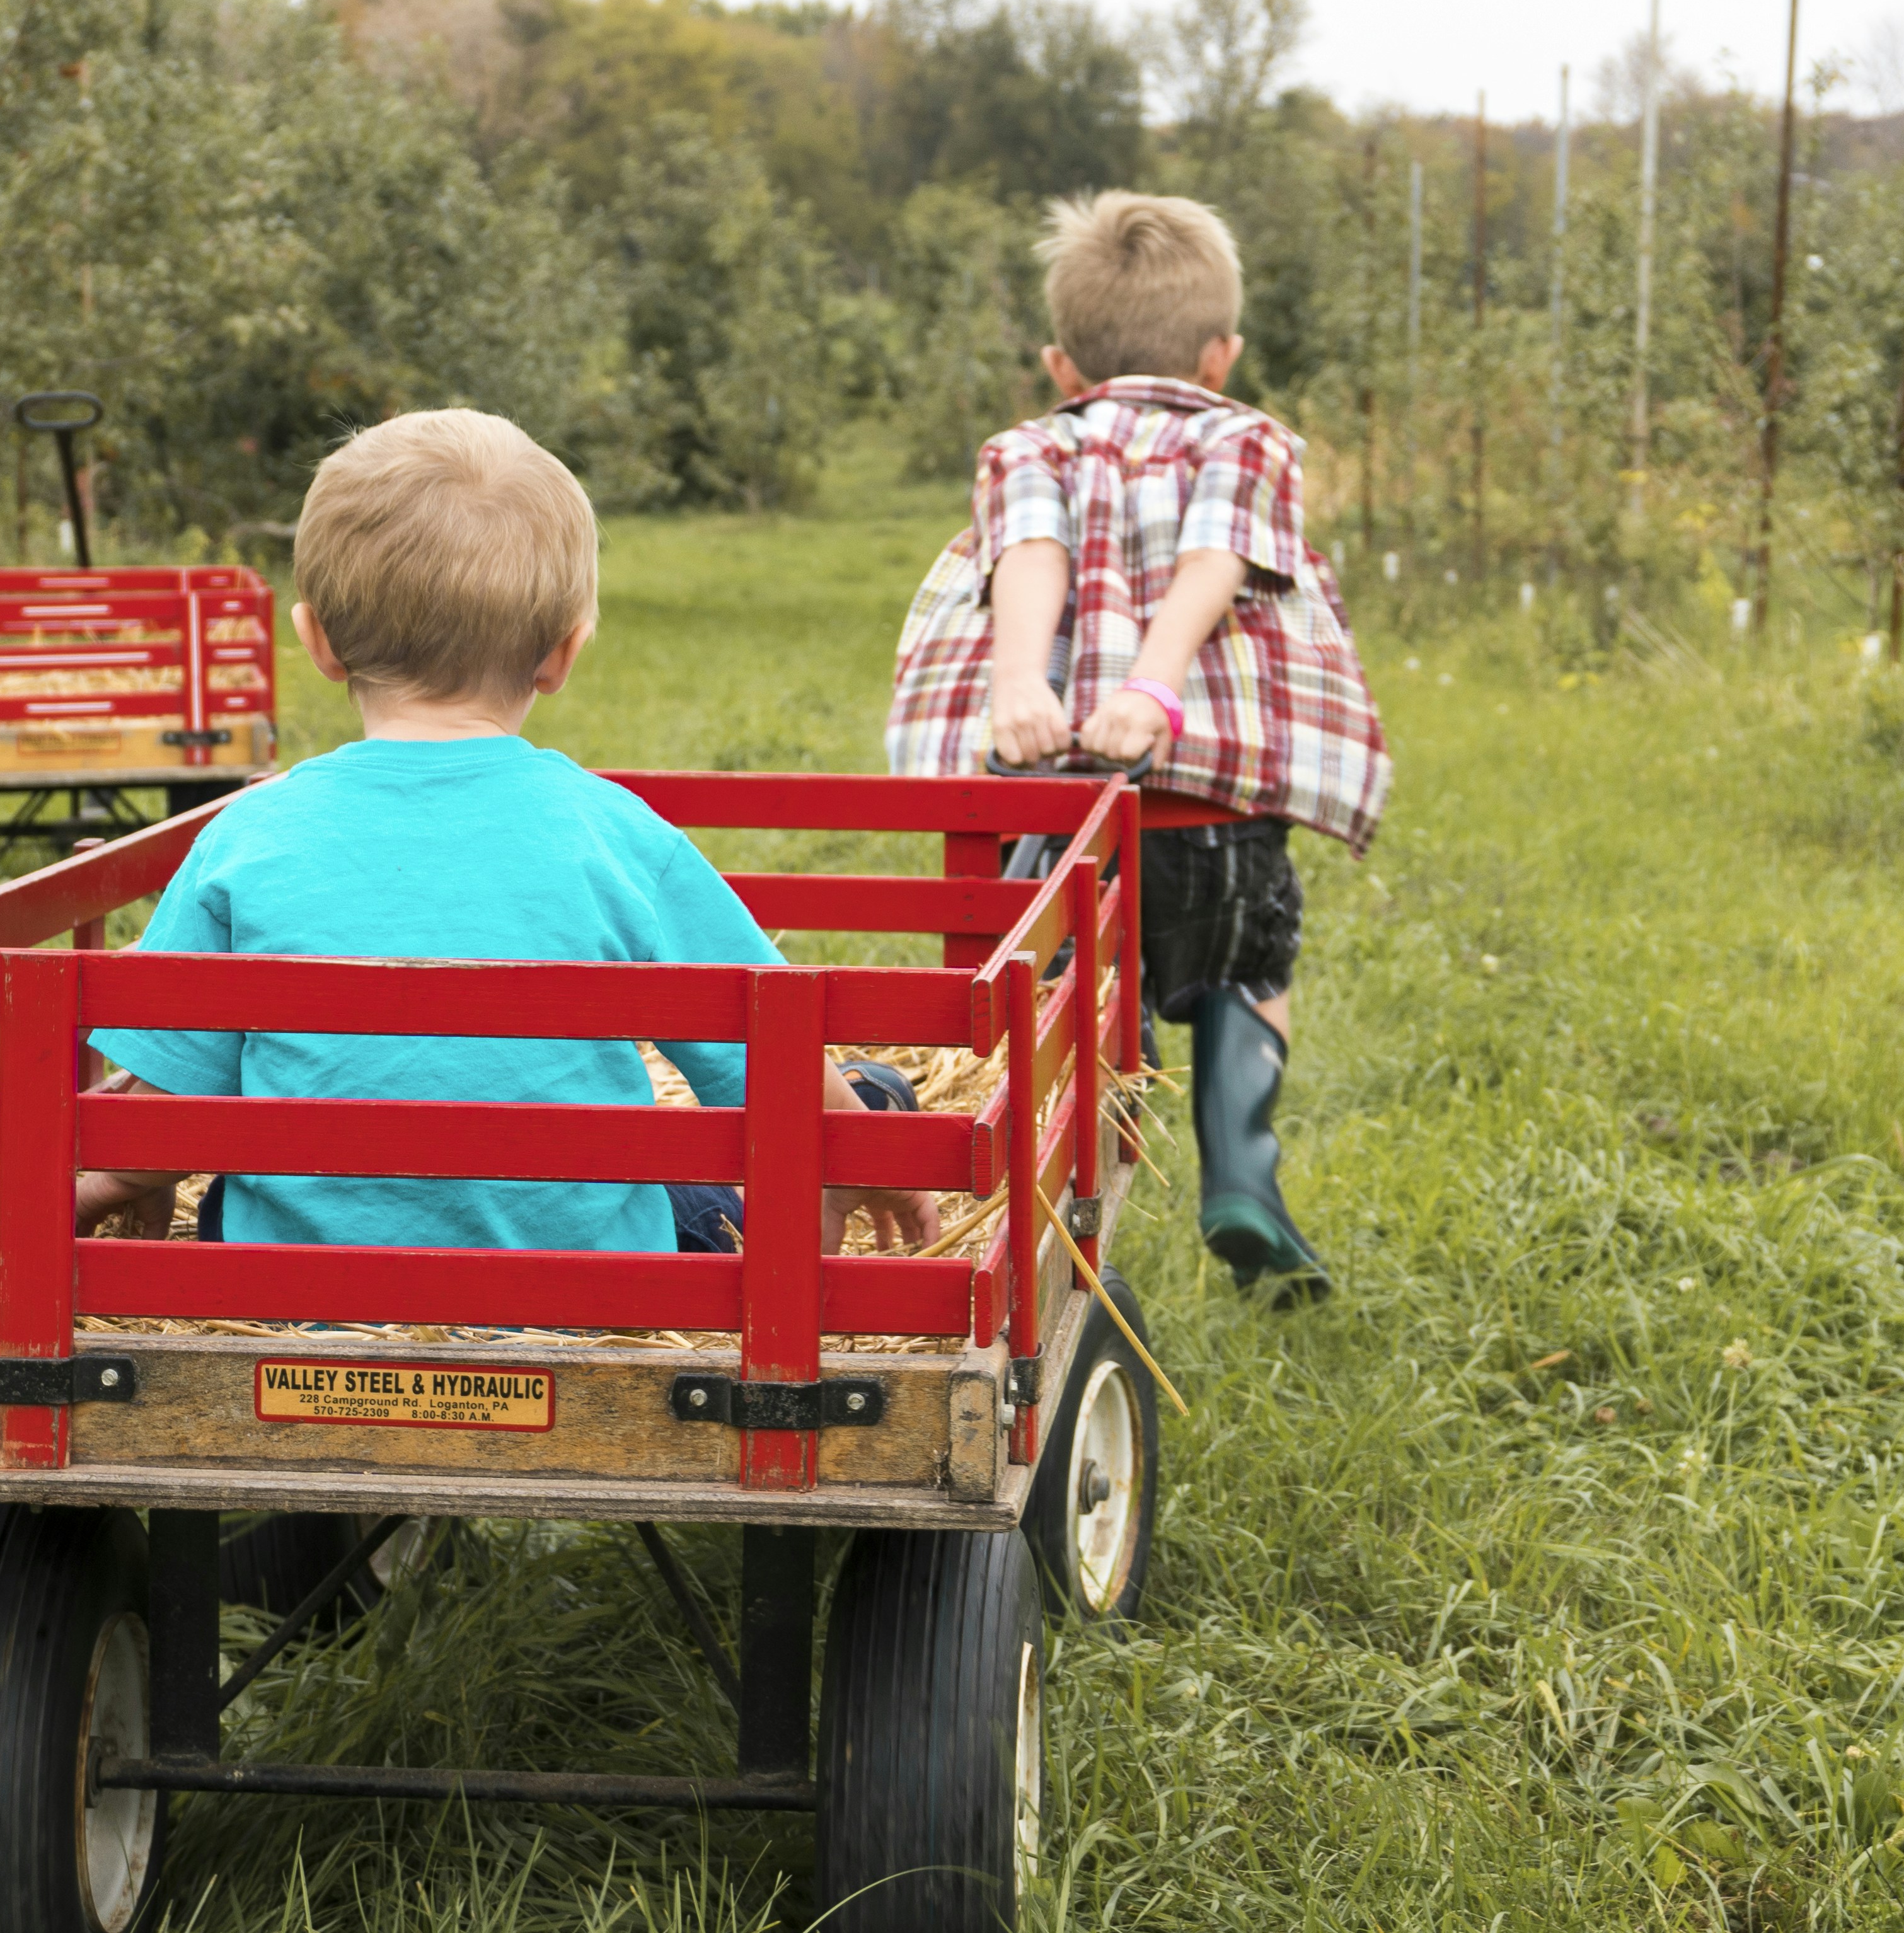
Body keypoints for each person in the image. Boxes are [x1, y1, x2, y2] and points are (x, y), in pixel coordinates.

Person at [74, 409, 938, 1257]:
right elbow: (770, 1047)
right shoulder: (615, 836)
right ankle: (881, 1093)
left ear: (317, 642)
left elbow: (165, 1102)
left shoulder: (248, 835)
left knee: (245, 1198)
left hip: (306, 1300)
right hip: (592, 1299)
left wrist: (114, 1183)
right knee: (722, 1175)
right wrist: (867, 1157)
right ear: (564, 653)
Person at [885, 192, 1390, 1303]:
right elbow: (1218, 558)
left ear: (1063, 365)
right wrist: (1158, 693)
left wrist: (1024, 683)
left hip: (1063, 813)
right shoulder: (1251, 436)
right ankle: (1243, 1177)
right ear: (1222, 354)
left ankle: (1033, 1208)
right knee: (1247, 970)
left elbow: (1030, 550)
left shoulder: (1026, 445)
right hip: (1213, 809)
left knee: (1050, 996)